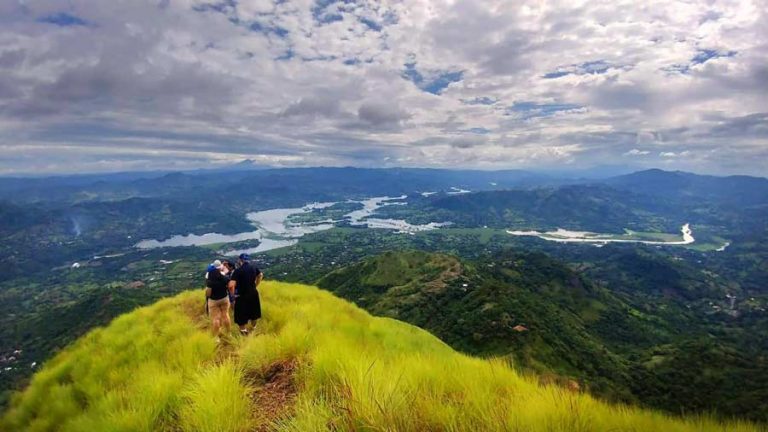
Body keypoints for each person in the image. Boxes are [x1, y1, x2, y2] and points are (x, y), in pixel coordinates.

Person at [229, 253, 263, 335]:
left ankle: (244, 332)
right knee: (254, 312)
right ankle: (254, 329)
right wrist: (256, 285)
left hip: (242, 295)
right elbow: (260, 275)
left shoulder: (238, 271)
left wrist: (233, 296)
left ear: (240, 260)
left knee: (241, 315)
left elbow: (231, 286)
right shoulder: (254, 268)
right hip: (253, 293)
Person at [205, 260, 231, 341]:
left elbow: (208, 292)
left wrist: (207, 299)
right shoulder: (224, 277)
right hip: (224, 298)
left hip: (213, 300)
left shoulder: (210, 279)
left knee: (216, 318)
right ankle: (229, 333)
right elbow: (229, 285)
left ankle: (216, 338)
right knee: (226, 315)